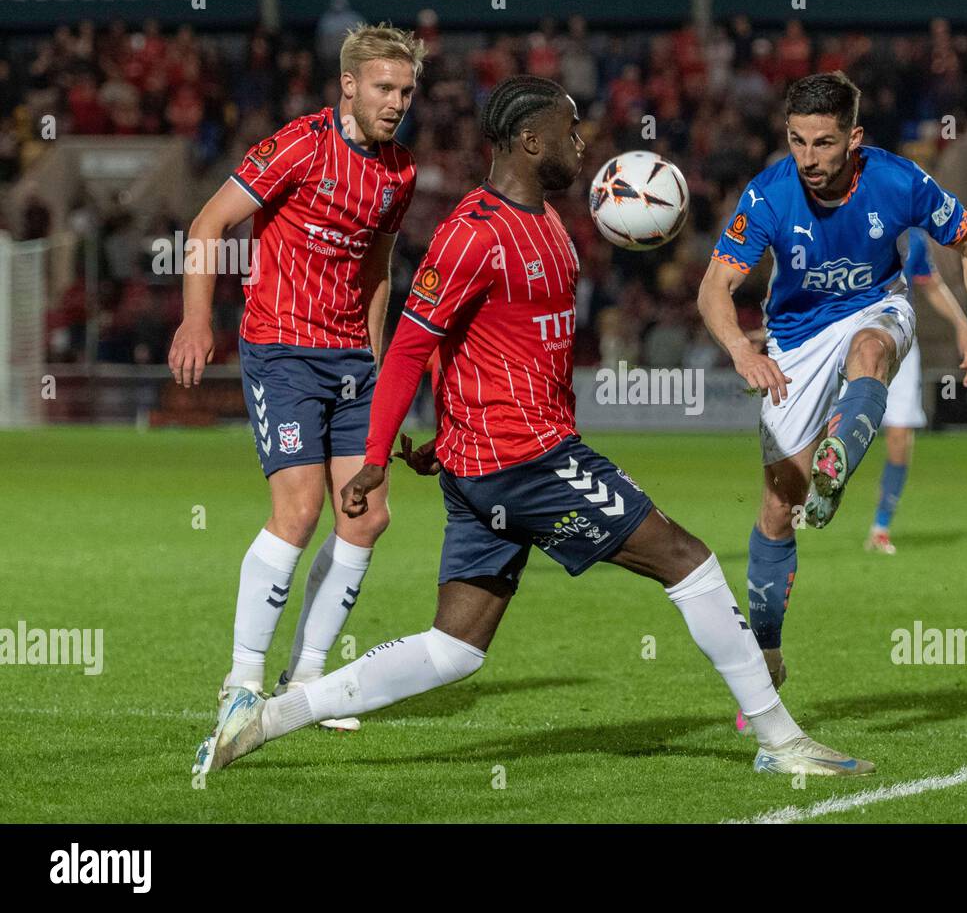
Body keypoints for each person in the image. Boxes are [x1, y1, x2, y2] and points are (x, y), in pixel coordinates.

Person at [193, 76, 873, 779]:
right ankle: (779, 737)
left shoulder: (549, 224)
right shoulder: (472, 234)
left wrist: (443, 439)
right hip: (527, 461)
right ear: (529, 139)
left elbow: (481, 346)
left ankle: (266, 718)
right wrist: (374, 454)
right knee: (687, 559)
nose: (580, 143)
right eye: (569, 129)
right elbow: (409, 348)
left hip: (487, 461)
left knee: (454, 648)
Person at [696, 72, 967, 733]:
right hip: (794, 342)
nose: (808, 157)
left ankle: (840, 458)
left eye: (824, 142)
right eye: (797, 140)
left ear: (854, 139)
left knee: (871, 353)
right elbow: (715, 287)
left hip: (876, 308)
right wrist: (742, 351)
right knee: (780, 506)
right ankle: (768, 652)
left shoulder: (898, 180)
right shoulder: (770, 193)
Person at [168, 25, 423, 730]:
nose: (397, 102)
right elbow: (207, 224)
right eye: (383, 88)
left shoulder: (399, 171)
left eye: (405, 90)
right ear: (348, 84)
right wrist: (196, 320)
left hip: (351, 360)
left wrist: (375, 365)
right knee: (301, 510)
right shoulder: (298, 145)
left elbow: (377, 270)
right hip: (281, 350)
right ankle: (242, 680)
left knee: (366, 514)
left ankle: (306, 680)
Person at [866, 229, 967, 555]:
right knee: (826, 428)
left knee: (901, 435)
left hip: (899, 341)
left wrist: (962, 324)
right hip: (846, 338)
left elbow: (930, 283)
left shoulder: (912, 236)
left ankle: (881, 526)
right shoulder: (845, 221)